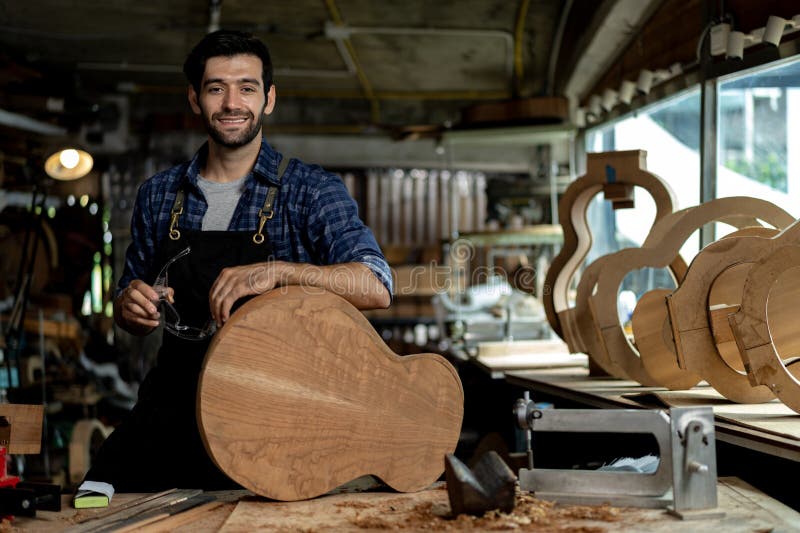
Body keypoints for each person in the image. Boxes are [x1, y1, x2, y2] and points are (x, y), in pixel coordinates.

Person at [84, 30, 392, 492]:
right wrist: (132, 307)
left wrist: (277, 273)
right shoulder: (158, 195)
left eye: (247, 87)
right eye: (216, 88)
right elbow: (129, 303)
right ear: (195, 99)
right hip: (175, 407)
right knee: (95, 500)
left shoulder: (310, 191)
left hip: (277, 417)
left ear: (269, 98)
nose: (232, 103)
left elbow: (376, 285)